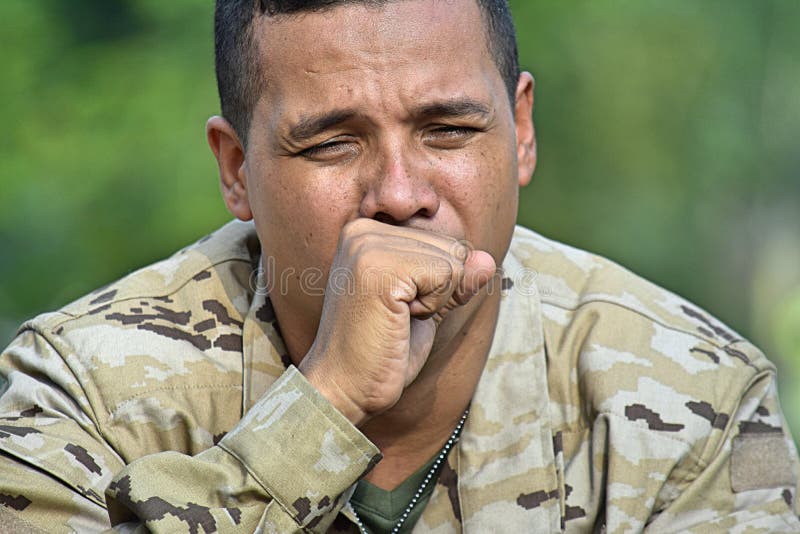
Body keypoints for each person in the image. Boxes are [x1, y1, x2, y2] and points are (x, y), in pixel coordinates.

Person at [1, 0, 798, 532]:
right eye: (331, 144)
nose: (399, 194)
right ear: (237, 169)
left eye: (448, 130)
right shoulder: (82, 392)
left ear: (520, 133)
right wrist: (327, 401)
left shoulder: (698, 396)